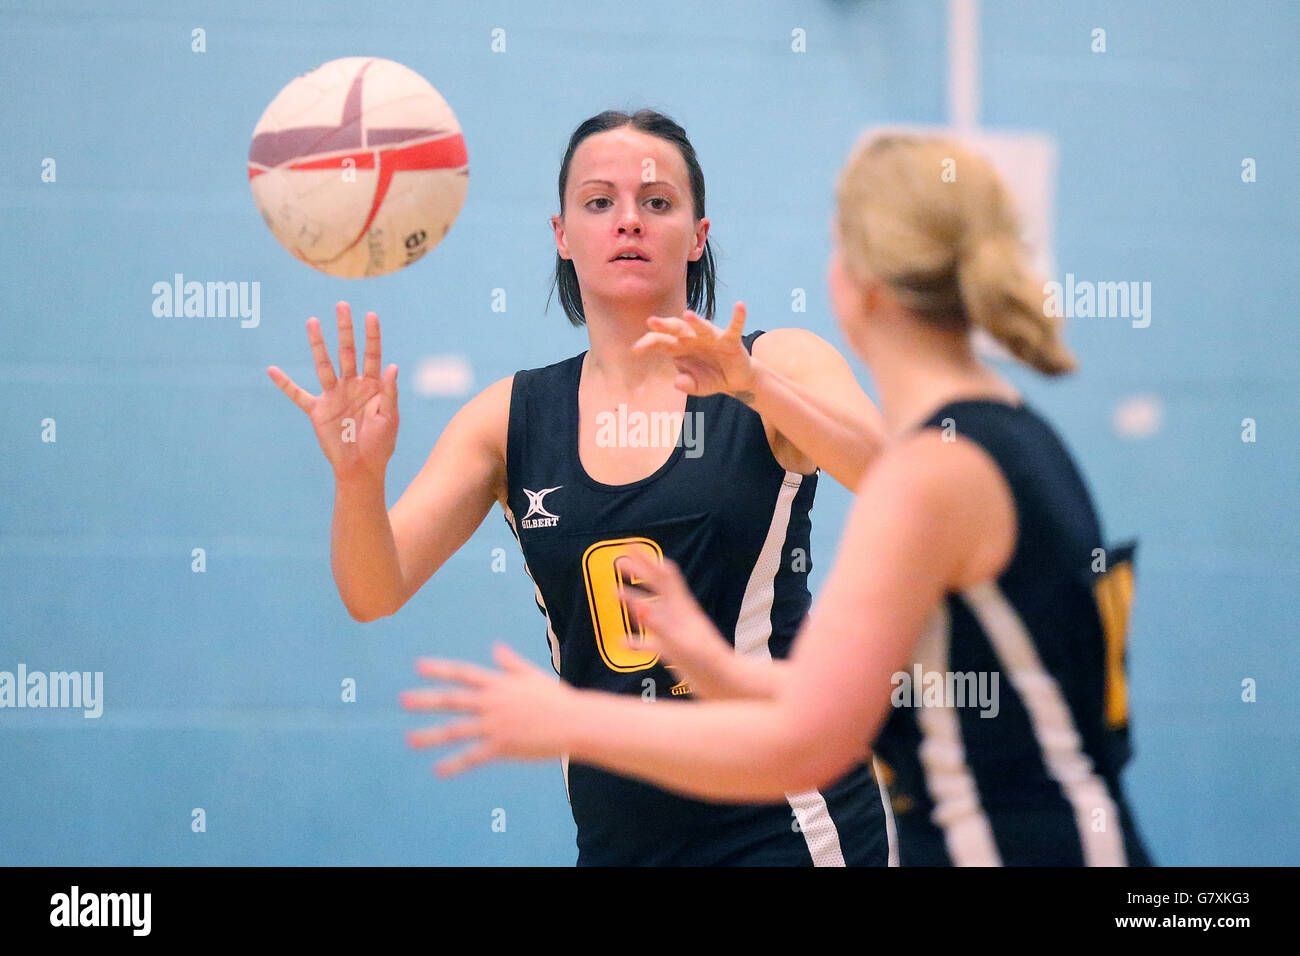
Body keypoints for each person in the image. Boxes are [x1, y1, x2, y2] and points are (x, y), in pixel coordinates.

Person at [405, 130, 1154, 867]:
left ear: (859, 282)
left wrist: (569, 719)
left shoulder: (932, 471)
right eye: (600, 202)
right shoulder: (1007, 438)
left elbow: (809, 740)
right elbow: (874, 693)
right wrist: (722, 669)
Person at [271, 108, 894, 865]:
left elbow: (896, 477)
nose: (627, 220)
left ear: (697, 235)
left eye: (657, 202)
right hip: (619, 838)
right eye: (599, 202)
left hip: (790, 824)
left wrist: (757, 386)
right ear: (562, 235)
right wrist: (358, 481)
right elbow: (375, 590)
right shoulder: (510, 417)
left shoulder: (778, 362)